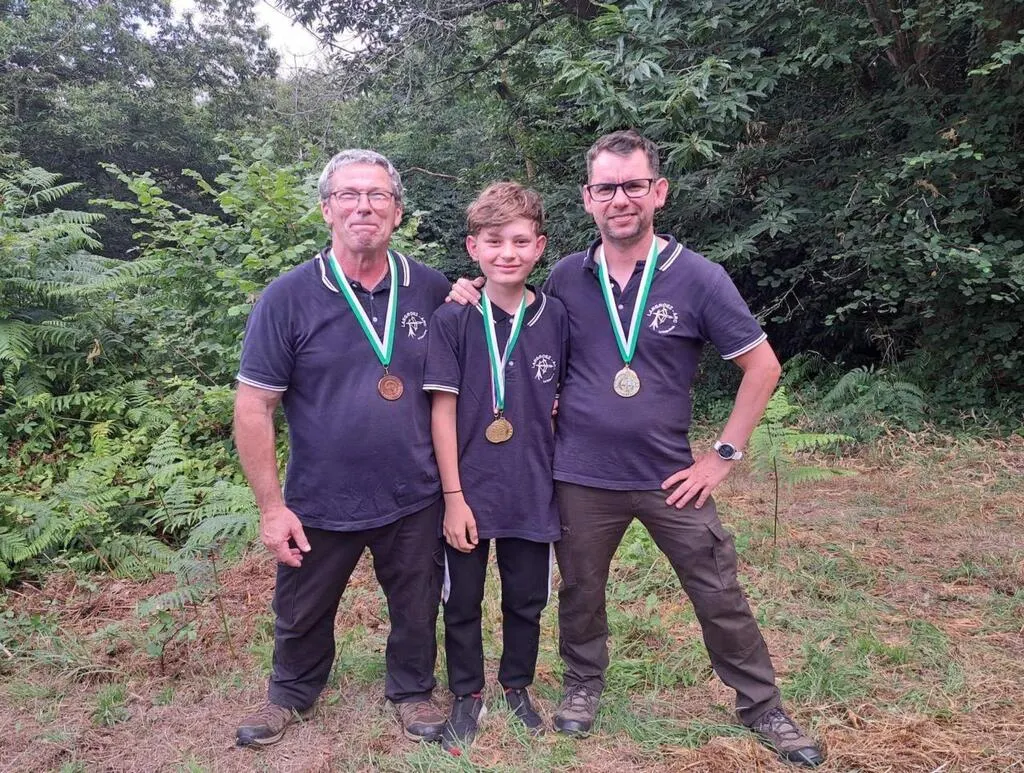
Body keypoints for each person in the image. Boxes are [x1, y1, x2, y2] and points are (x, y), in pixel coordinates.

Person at [449, 130, 825, 767]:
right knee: (580, 590)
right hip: (579, 472)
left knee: (717, 590)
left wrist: (721, 457)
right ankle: (582, 684)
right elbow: (516, 325)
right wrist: (464, 292)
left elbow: (763, 367)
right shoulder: (566, 276)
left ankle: (762, 706)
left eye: (633, 185)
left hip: (669, 475)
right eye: (606, 188)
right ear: (587, 198)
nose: (619, 199)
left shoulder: (699, 278)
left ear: (659, 191)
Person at [232, 149, 451, 747]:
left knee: (416, 603)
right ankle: (290, 692)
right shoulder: (288, 297)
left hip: (415, 490)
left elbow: (470, 373)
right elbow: (254, 407)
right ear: (327, 209)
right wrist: (271, 507)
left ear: (397, 211)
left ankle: (412, 690)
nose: (364, 207)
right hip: (319, 497)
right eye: (349, 195)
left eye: (378, 195)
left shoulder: (432, 289)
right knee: (301, 607)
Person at [424, 182, 568, 753]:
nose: (507, 253)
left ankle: (516, 686)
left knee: (526, 598)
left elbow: (565, 394)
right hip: (470, 488)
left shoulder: (556, 317)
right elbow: (442, 411)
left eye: (520, 241)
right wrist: (453, 496)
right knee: (460, 600)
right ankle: (466, 693)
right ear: (473, 247)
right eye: (494, 241)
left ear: (540, 247)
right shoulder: (453, 319)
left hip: (532, 487)